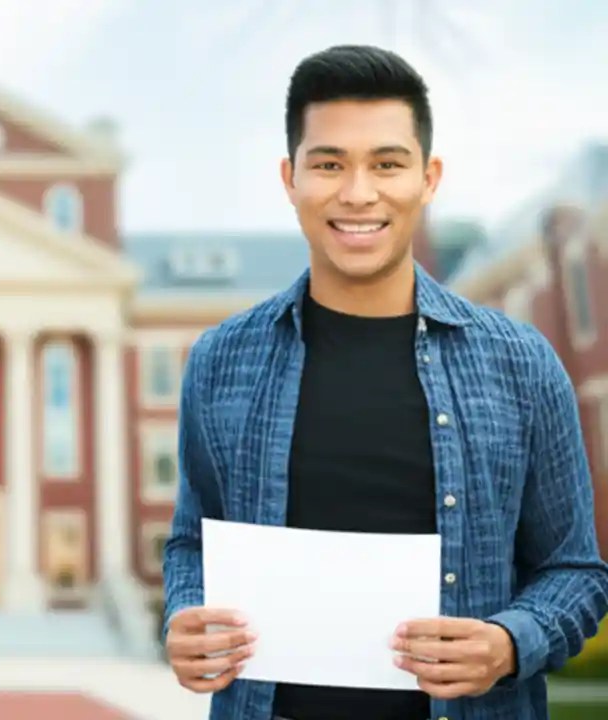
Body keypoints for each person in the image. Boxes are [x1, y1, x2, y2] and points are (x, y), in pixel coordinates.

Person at [161, 44, 608, 720]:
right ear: (291, 178)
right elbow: (193, 540)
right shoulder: (221, 361)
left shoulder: (522, 365)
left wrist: (509, 644)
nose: (358, 192)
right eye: (330, 164)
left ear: (428, 179)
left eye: (387, 164)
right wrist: (183, 616)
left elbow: (575, 572)